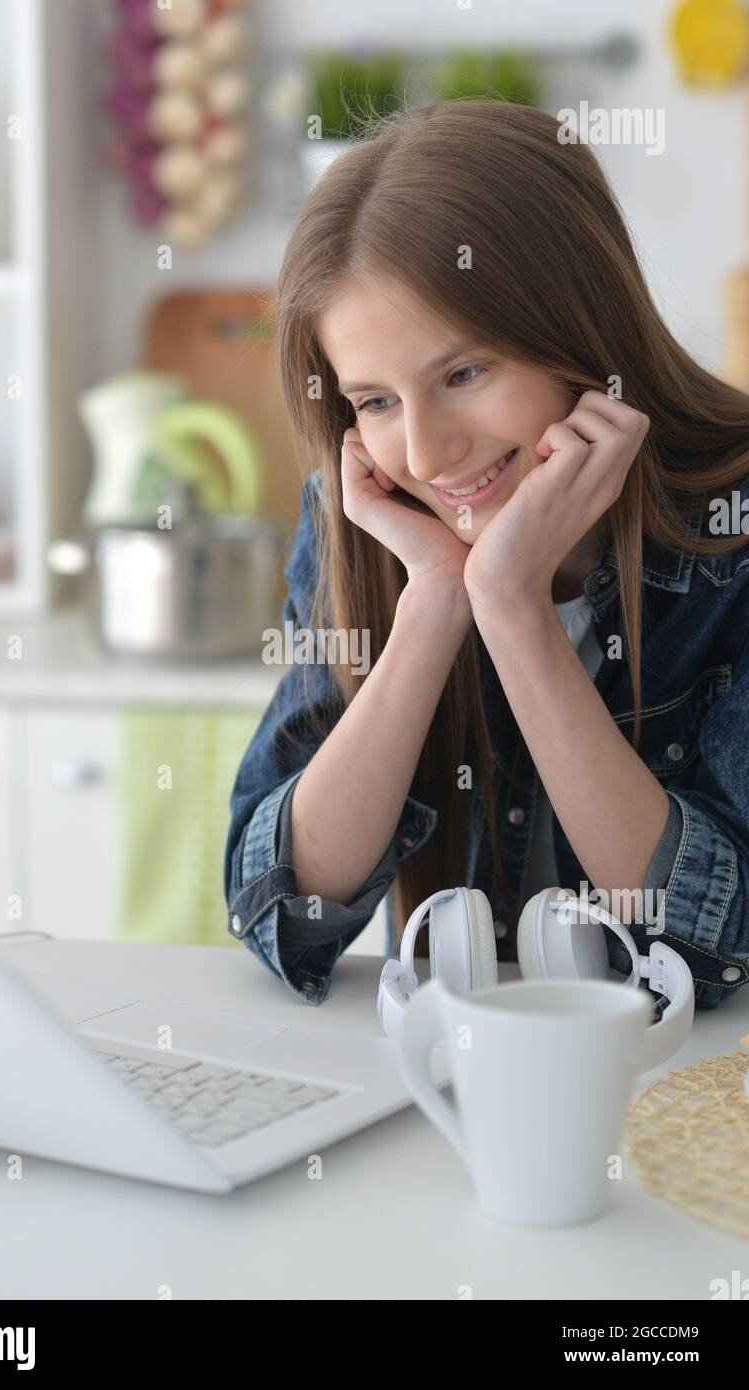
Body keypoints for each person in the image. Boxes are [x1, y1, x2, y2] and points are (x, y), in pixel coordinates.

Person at [224, 99, 749, 1011]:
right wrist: (433, 604)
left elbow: (710, 949)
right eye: (376, 402)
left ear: (581, 333)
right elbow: (282, 914)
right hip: (461, 1095)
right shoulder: (364, 520)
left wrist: (509, 607)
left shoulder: (733, 526)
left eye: (462, 375)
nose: (426, 456)